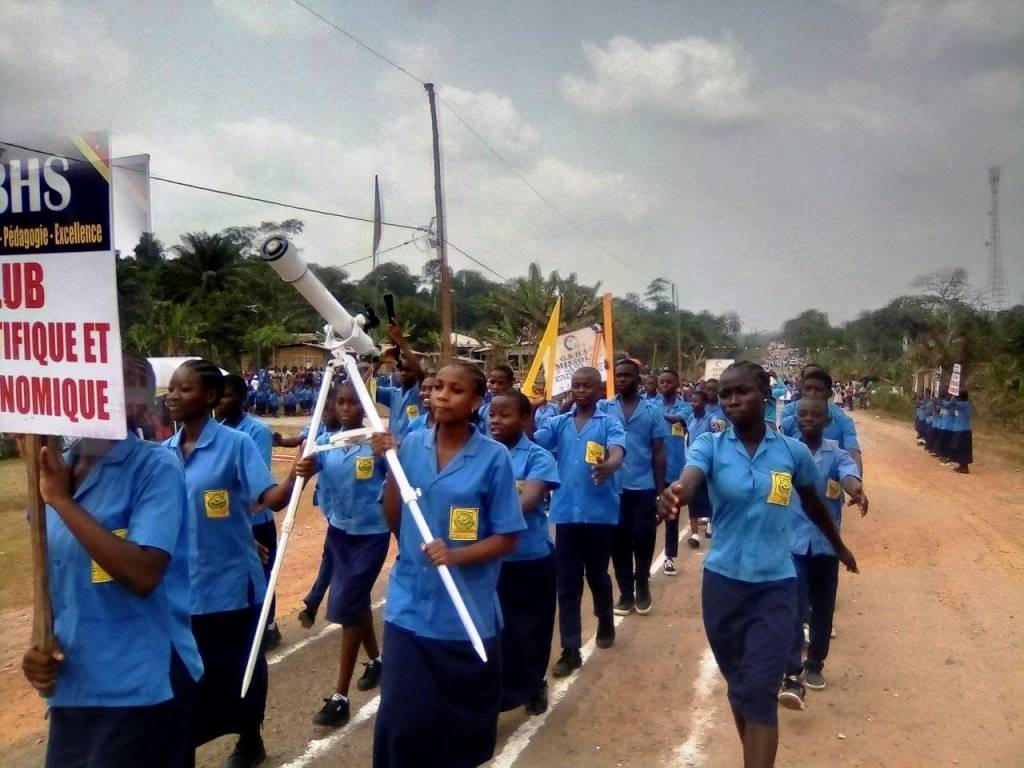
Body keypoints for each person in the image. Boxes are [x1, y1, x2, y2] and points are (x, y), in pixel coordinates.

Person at [658, 362, 858, 768]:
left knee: (762, 692)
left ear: (764, 393)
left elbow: (815, 504)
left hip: (775, 587)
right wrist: (676, 491)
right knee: (740, 688)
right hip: (723, 588)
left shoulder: (791, 452)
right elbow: (690, 478)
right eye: (726, 394)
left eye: (742, 392)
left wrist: (838, 546)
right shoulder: (711, 447)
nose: (732, 401)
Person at [22, 355, 203, 768]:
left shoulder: (156, 466)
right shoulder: (55, 469)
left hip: (144, 684)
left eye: (128, 385)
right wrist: (39, 648)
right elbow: (55, 575)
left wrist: (63, 502)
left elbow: (142, 574)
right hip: (76, 685)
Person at [371, 363, 525, 768]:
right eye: (437, 387)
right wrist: (391, 467)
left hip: (464, 613)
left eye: (455, 390)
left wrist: (455, 555)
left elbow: (508, 537)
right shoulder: (409, 446)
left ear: (476, 402)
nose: (441, 395)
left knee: (457, 730)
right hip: (409, 606)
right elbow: (395, 522)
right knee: (401, 718)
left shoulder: (493, 458)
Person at [163, 359, 299, 768]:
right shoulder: (165, 453)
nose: (173, 396)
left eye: (183, 389)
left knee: (238, 669)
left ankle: (249, 738)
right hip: (182, 587)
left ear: (208, 397)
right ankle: (182, 746)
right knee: (184, 676)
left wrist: (296, 474)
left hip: (230, 584)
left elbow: (268, 498)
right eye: (171, 388)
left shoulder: (235, 444)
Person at [295, 381, 390, 727]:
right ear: (332, 406)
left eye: (353, 403)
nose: (347, 408)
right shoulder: (324, 445)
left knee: (348, 604)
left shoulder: (375, 444)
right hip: (339, 533)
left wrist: (389, 457)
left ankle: (340, 696)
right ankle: (377, 661)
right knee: (357, 601)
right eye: (341, 402)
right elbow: (304, 472)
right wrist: (303, 468)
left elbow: (397, 479)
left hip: (371, 535)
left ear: (364, 408)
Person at [534, 367, 626, 677]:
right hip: (566, 513)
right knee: (567, 581)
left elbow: (617, 451)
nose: (581, 390)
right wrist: (543, 407)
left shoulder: (608, 422)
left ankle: (604, 618)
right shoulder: (559, 422)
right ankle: (570, 648)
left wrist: (609, 466)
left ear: (600, 390)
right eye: (576, 385)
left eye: (587, 385)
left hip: (599, 514)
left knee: (597, 573)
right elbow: (535, 438)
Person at [780, 398, 868, 708]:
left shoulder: (836, 452)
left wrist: (855, 488)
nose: (807, 419)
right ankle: (792, 670)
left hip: (826, 544)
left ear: (826, 419)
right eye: (802, 414)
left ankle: (815, 663)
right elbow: (776, 489)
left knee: (823, 606)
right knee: (794, 604)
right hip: (792, 542)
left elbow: (847, 473)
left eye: (815, 415)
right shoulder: (787, 450)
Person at [489, 391, 561, 715]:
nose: (495, 421)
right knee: (498, 629)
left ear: (524, 420)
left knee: (532, 628)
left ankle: (535, 683)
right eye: (492, 414)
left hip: (531, 558)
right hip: (492, 562)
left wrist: (484, 523)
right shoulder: (480, 454)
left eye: (504, 415)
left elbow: (529, 499)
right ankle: (500, 689)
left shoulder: (538, 457)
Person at [217, 374, 282, 649]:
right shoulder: (217, 430)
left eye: (227, 396)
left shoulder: (256, 432)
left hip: (256, 520)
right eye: (218, 395)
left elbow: (255, 482)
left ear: (242, 399)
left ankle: (268, 626)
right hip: (230, 521)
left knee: (262, 575)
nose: (220, 401)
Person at [600, 359, 667, 616]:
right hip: (613, 487)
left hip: (643, 486)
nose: (622, 379)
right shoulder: (604, 408)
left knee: (643, 536)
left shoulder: (652, 411)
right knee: (618, 541)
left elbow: (659, 453)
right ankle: (625, 592)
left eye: (628, 375)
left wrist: (661, 492)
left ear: (637, 379)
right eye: (618, 375)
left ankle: (642, 585)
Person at [781, 368, 863, 474]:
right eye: (808, 388)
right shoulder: (789, 415)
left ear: (829, 393)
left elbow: (852, 450)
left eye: (817, 389)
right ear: (802, 390)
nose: (812, 393)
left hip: (831, 482)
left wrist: (855, 477)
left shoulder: (842, 420)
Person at [656, 369, 692, 575]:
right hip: (654, 468)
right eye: (662, 381)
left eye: (669, 382)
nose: (664, 385)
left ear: (677, 384)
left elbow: (675, 418)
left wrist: (653, 413)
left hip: (676, 468)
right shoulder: (650, 404)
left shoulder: (686, 407)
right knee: (651, 516)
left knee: (671, 514)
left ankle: (669, 556)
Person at [376, 322, 426, 439]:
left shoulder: (422, 392)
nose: (403, 373)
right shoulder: (393, 394)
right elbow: (363, 389)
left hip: (413, 450)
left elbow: (421, 374)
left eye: (408, 370)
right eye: (400, 369)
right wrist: (380, 361)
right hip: (393, 452)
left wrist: (401, 342)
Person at [684, 390, 715, 548]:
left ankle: (711, 523)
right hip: (692, 463)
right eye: (691, 401)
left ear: (704, 403)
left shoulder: (711, 419)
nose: (692, 404)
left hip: (708, 464)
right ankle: (694, 534)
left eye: (695, 401)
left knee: (710, 495)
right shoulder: (690, 418)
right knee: (692, 498)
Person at [477, 364, 515, 434]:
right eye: (492, 382)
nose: (495, 386)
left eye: (500, 383)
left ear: (510, 384)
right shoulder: (483, 410)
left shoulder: (518, 409)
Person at [948, 390, 973, 474]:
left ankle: (964, 467)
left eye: (958, 397)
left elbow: (950, 404)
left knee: (961, 448)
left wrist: (953, 395)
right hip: (962, 429)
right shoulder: (964, 405)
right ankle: (962, 465)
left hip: (962, 430)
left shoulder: (963, 404)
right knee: (960, 448)